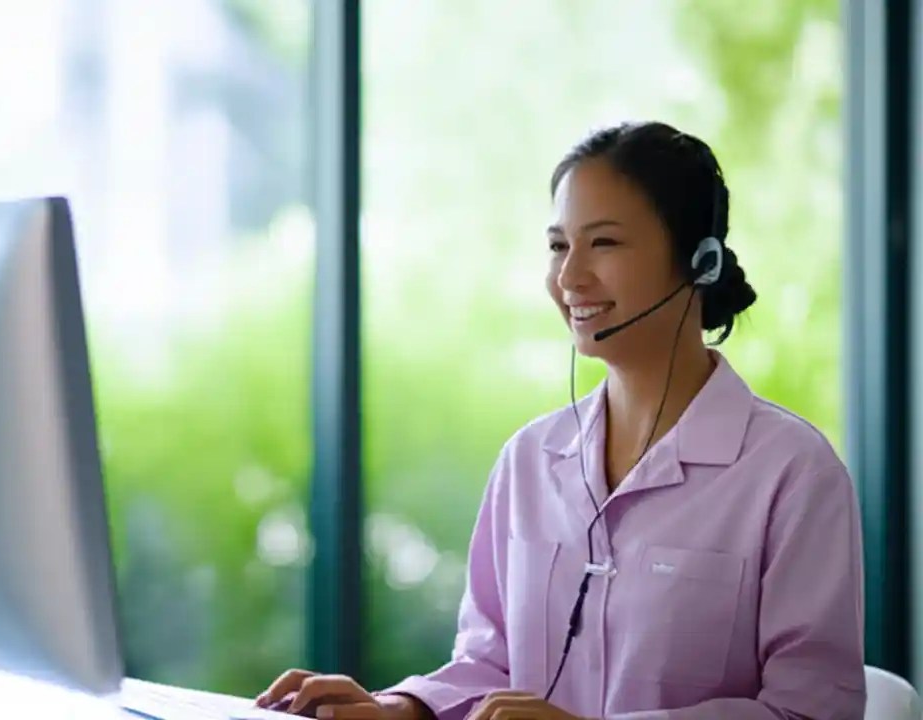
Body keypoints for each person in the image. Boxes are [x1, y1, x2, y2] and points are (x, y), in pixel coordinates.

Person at [254, 121, 866, 719]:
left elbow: (810, 710)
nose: (569, 276)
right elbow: (490, 660)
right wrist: (401, 707)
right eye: (557, 246)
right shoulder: (528, 460)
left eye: (603, 243)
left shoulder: (791, 472)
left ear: (699, 262)